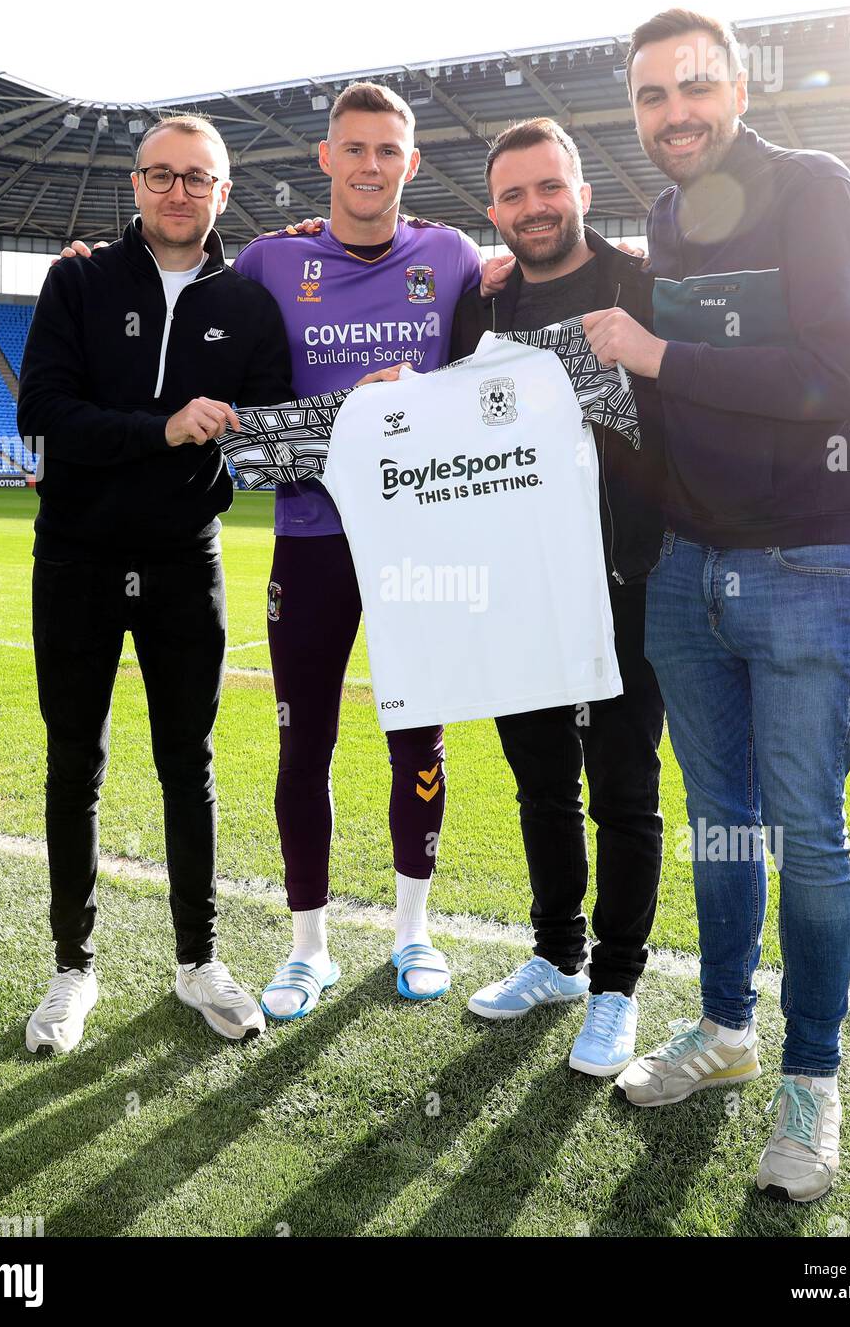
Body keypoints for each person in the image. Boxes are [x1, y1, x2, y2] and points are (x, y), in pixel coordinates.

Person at [582, 10, 850, 1202]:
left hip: (805, 561)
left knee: (805, 831)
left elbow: (837, 372)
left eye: (694, 85)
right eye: (652, 96)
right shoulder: (663, 219)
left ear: (738, 83)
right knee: (720, 821)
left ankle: (811, 1079)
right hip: (684, 568)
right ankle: (723, 1029)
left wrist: (662, 358)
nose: (675, 112)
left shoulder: (819, 193)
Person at [17, 114, 293, 1053]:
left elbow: (266, 439)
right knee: (74, 765)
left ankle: (197, 963)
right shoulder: (78, 279)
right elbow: (42, 408)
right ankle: (71, 970)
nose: (178, 192)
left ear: (224, 191)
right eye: (160, 175)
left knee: (190, 762)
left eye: (197, 178)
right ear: (136, 184)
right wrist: (161, 428)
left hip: (185, 563)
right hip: (77, 561)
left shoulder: (252, 305)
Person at [230, 82, 504, 1018]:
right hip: (309, 542)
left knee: (417, 740)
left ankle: (411, 930)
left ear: (411, 163)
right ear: (325, 159)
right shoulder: (271, 261)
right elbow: (191, 311)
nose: (370, 166)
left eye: (388, 151)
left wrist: (617, 266)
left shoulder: (452, 254)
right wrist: (98, 263)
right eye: (354, 149)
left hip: (417, 541)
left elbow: (490, 365)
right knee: (303, 746)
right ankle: (308, 946)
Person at [447, 118, 665, 1079]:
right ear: (492, 210)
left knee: (623, 789)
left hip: (624, 583)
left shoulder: (639, 285)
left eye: (549, 187)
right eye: (513, 195)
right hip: (515, 584)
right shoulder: (480, 307)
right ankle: (556, 956)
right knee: (541, 783)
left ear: (579, 188)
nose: (534, 208)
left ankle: (617, 985)